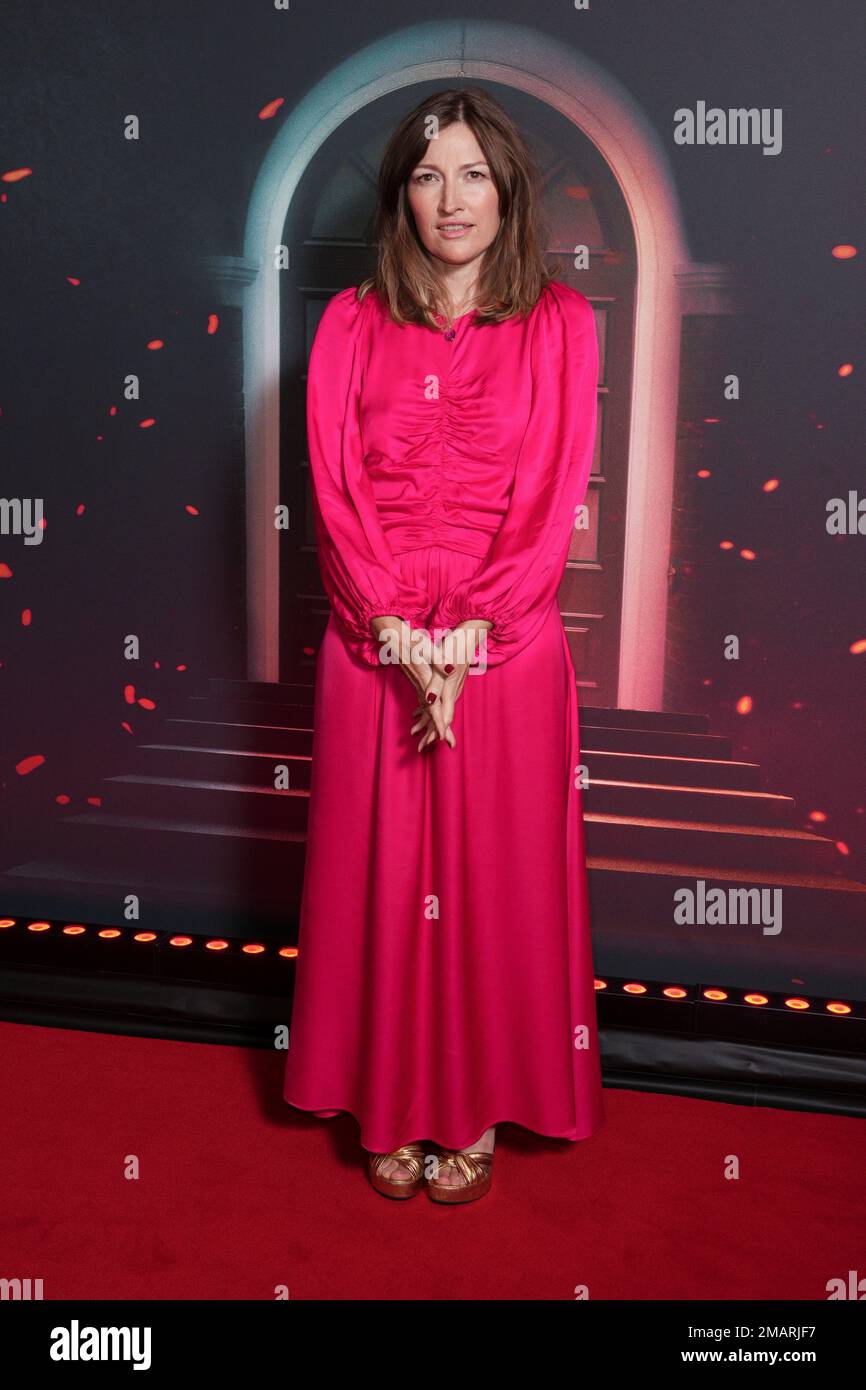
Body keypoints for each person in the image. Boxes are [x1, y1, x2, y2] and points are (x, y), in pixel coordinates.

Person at [283, 86, 605, 1204]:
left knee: (485, 891)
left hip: (504, 657)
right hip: (371, 648)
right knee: (381, 884)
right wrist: (391, 630)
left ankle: (468, 1110)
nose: (450, 198)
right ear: (400, 197)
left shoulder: (563, 325)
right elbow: (330, 494)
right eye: (427, 175)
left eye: (473, 174)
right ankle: (390, 1103)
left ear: (507, 191)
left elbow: (551, 495)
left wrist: (475, 636)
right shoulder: (345, 325)